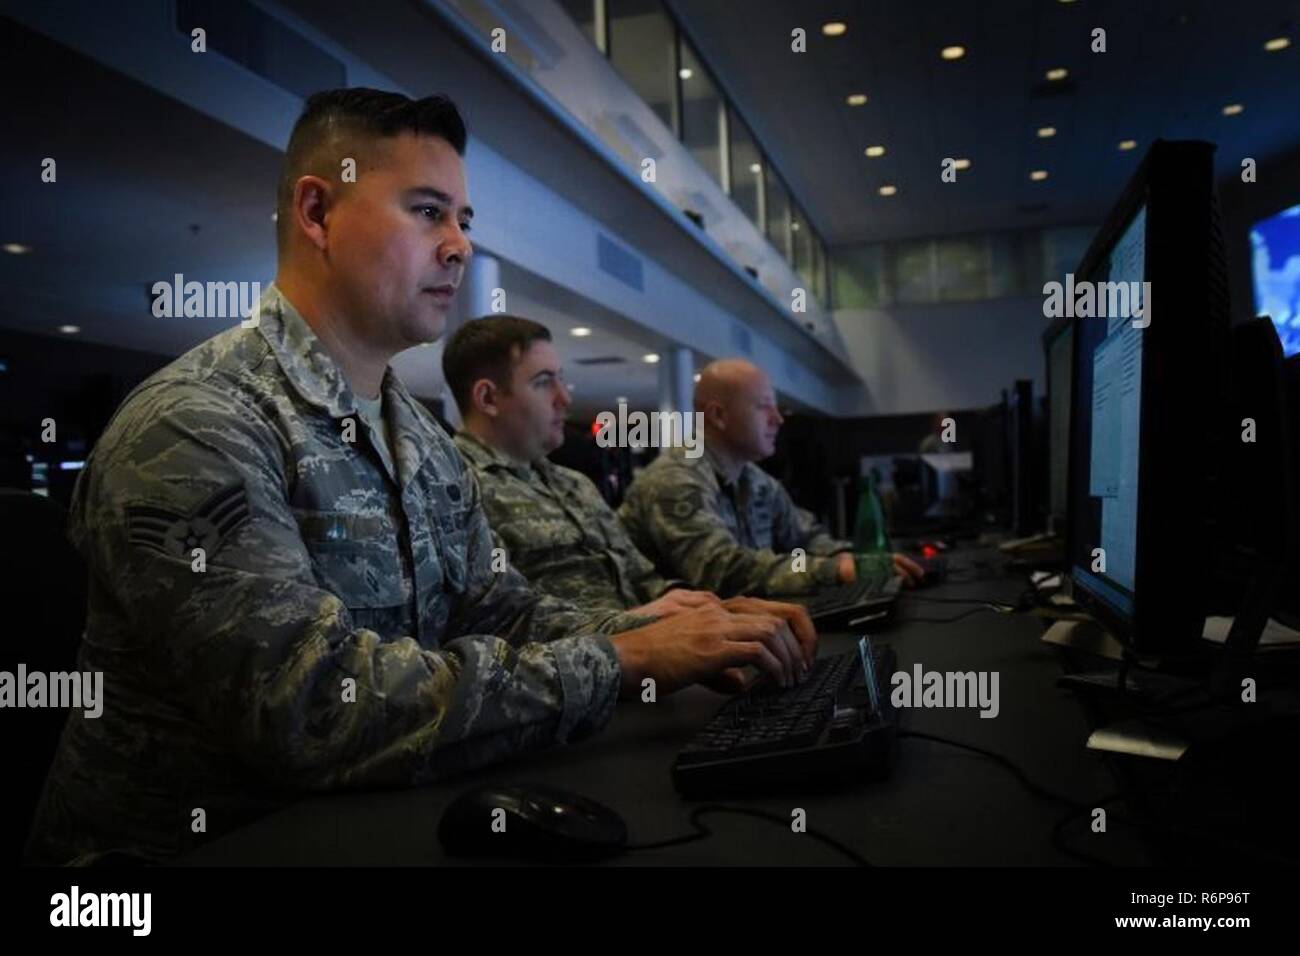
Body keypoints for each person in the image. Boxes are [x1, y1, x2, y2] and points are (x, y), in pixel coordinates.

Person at [25, 89, 813, 865]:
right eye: (429, 211)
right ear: (316, 212)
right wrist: (627, 662)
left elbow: (495, 611)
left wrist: (655, 631)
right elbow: (308, 708)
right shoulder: (196, 424)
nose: (461, 245)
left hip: (371, 826)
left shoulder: (420, 438)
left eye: (464, 220)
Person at [442, 314, 717, 617]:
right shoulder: (457, 490)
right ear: (488, 398)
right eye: (544, 382)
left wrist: (703, 609)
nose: (565, 397)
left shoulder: (574, 483)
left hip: (651, 644)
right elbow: (509, 621)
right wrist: (647, 622)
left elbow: (641, 578)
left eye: (560, 378)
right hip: (597, 657)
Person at [620, 358, 924, 597]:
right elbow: (721, 572)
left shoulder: (755, 479)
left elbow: (806, 538)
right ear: (718, 416)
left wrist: (858, 560)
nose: (778, 419)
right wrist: (833, 571)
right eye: (764, 407)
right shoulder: (674, 480)